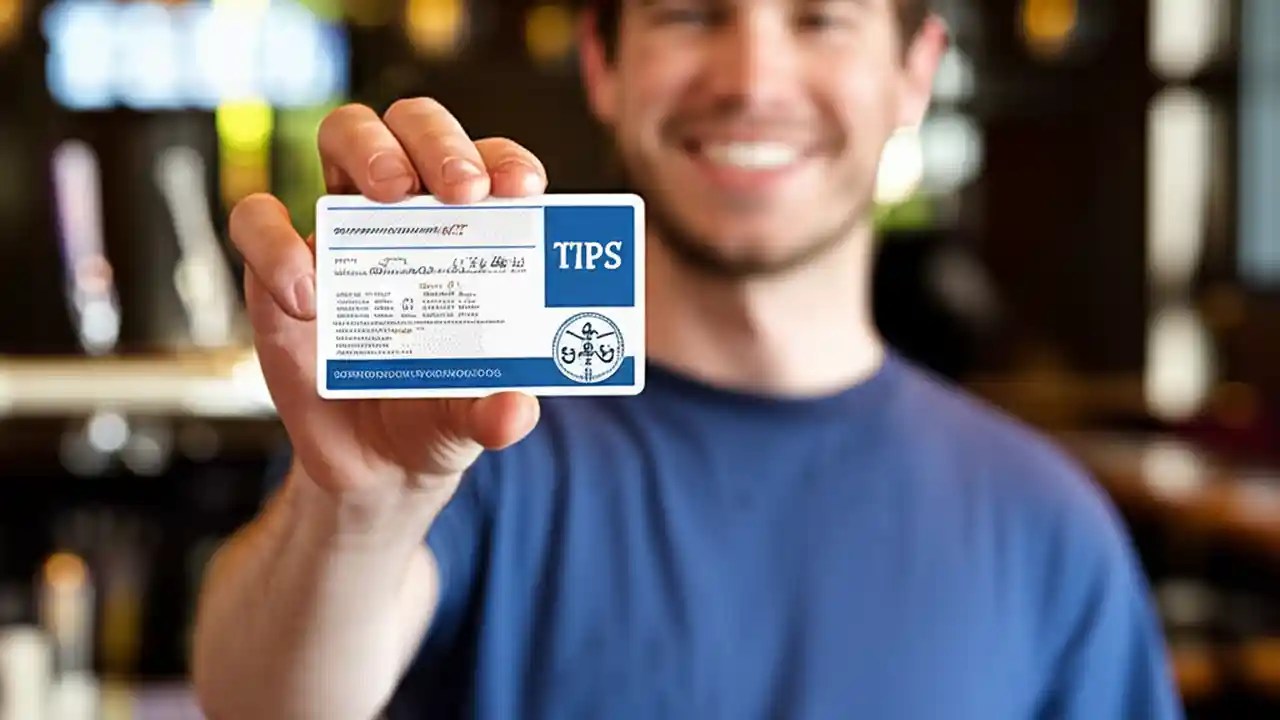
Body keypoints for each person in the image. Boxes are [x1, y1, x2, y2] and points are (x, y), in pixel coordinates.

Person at [191, 1, 1185, 718]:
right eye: (689, 13)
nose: (751, 80)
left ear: (913, 73)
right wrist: (362, 513)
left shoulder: (1049, 525)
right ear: (602, 64)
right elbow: (257, 703)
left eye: (821, 19)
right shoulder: (461, 434)